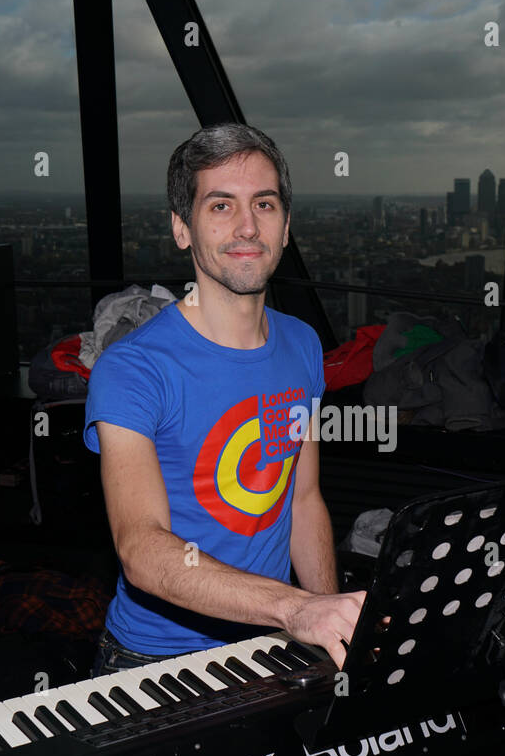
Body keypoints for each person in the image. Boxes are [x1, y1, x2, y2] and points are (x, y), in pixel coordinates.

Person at [83, 123, 363, 677]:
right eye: (219, 206)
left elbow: (302, 501)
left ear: (286, 227)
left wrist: (331, 629)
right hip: (152, 662)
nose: (247, 226)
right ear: (182, 228)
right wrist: (296, 607)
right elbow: (142, 548)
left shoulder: (303, 344)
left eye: (264, 203)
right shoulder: (132, 369)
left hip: (270, 647)